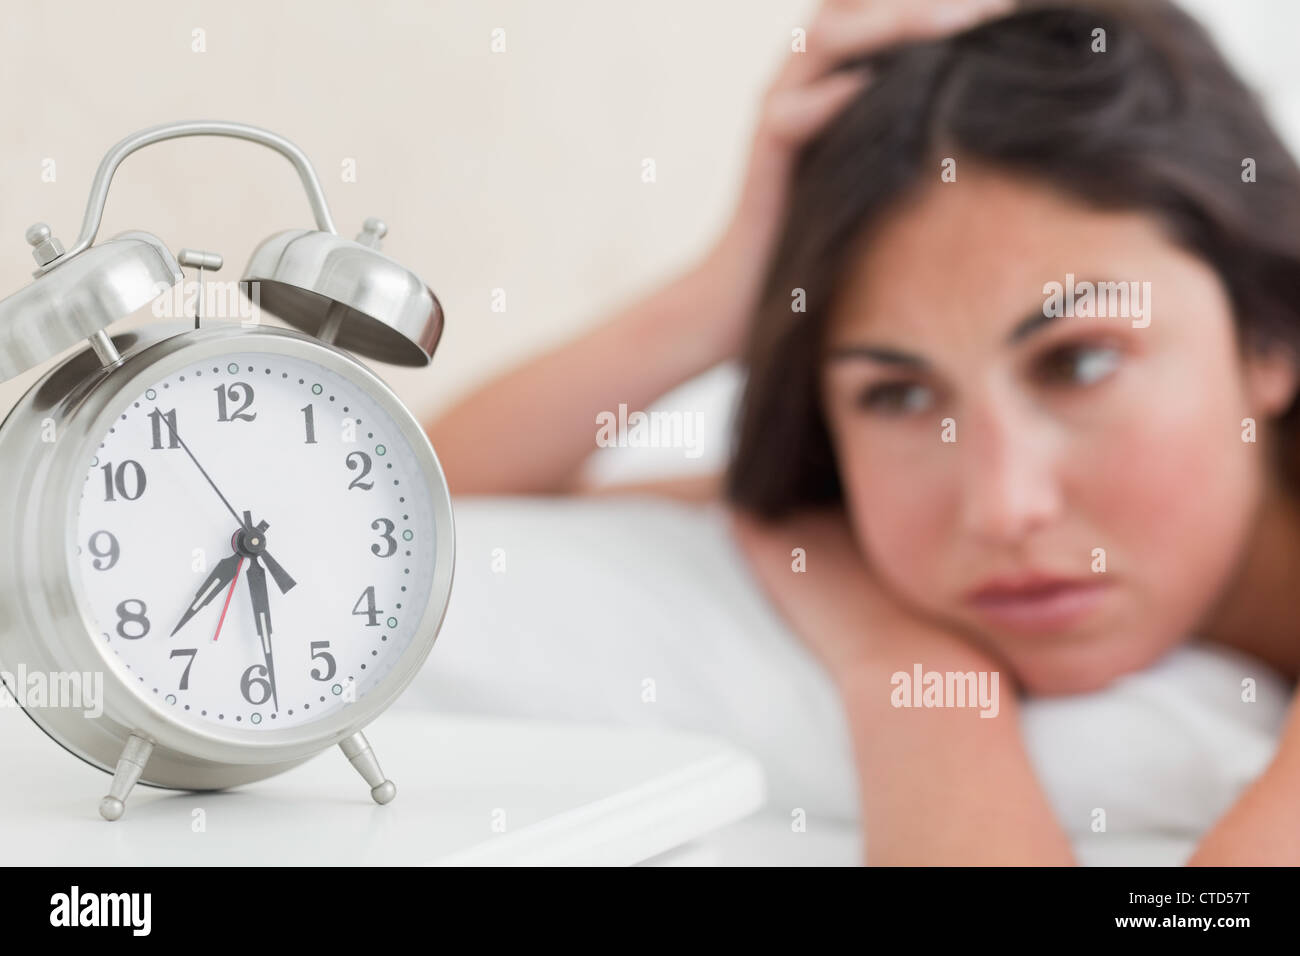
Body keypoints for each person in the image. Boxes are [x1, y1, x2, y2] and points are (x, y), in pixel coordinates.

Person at [426, 0, 1300, 864]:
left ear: (1269, 333)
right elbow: (415, 517)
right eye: (899, 395)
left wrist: (916, 689)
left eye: (1077, 364)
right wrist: (723, 299)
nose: (1002, 506)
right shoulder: (836, 508)